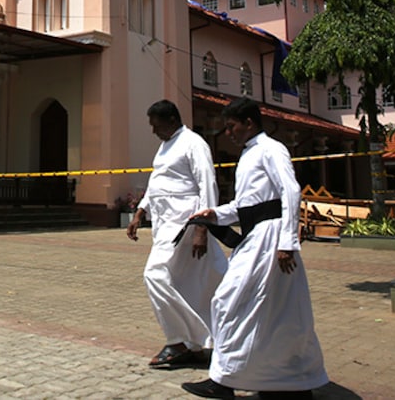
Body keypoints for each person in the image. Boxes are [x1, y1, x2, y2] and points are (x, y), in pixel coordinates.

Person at [181, 97, 327, 400]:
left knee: (231, 302)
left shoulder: (271, 149)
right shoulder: (249, 155)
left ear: (249, 123)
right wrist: (215, 215)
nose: (229, 133)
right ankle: (277, 382)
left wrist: (287, 242)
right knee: (270, 310)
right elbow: (247, 206)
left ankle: (235, 380)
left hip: (271, 240)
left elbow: (290, 191)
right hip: (257, 236)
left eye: (232, 126)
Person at [127, 99, 228, 368]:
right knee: (187, 284)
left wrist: (202, 229)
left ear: (171, 120)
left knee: (155, 275)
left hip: (185, 223)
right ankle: (197, 343)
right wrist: (140, 211)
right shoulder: (164, 147)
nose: (153, 131)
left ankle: (178, 341)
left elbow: (208, 186)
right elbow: (157, 182)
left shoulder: (194, 143)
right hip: (164, 224)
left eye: (155, 125)